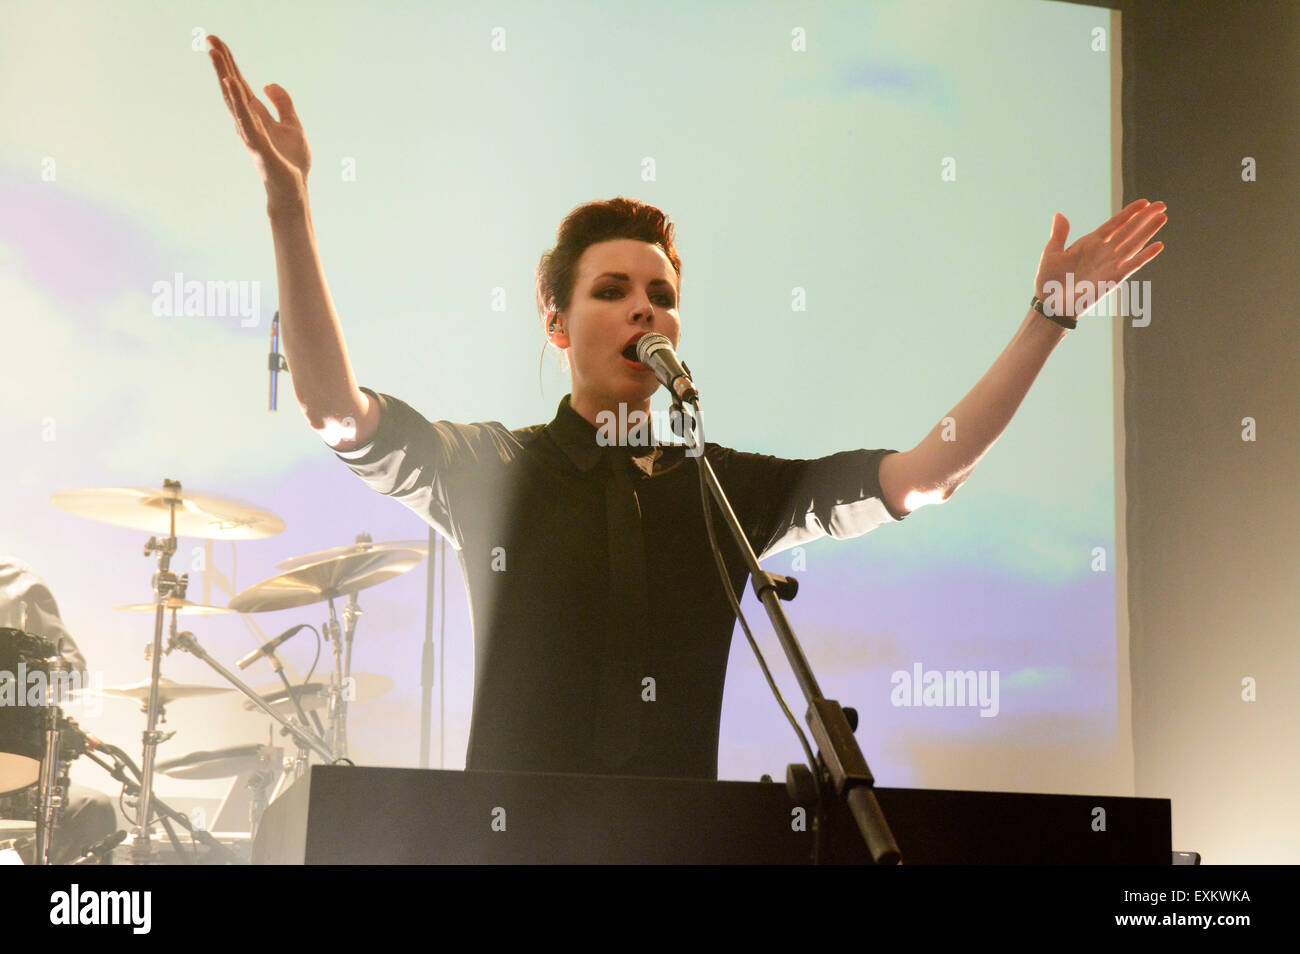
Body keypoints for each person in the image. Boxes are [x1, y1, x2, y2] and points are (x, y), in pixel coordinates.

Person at [206, 35, 1167, 779]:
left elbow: (927, 477)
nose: (643, 308)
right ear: (557, 324)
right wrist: (288, 205)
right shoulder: (490, 466)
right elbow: (335, 412)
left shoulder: (722, 487)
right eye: (612, 290)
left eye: (661, 295)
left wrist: (1049, 319)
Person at [0, 556, 119, 863]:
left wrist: (20, 682)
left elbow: (72, 671)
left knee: (93, 807)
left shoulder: (17, 582)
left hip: (15, 772)